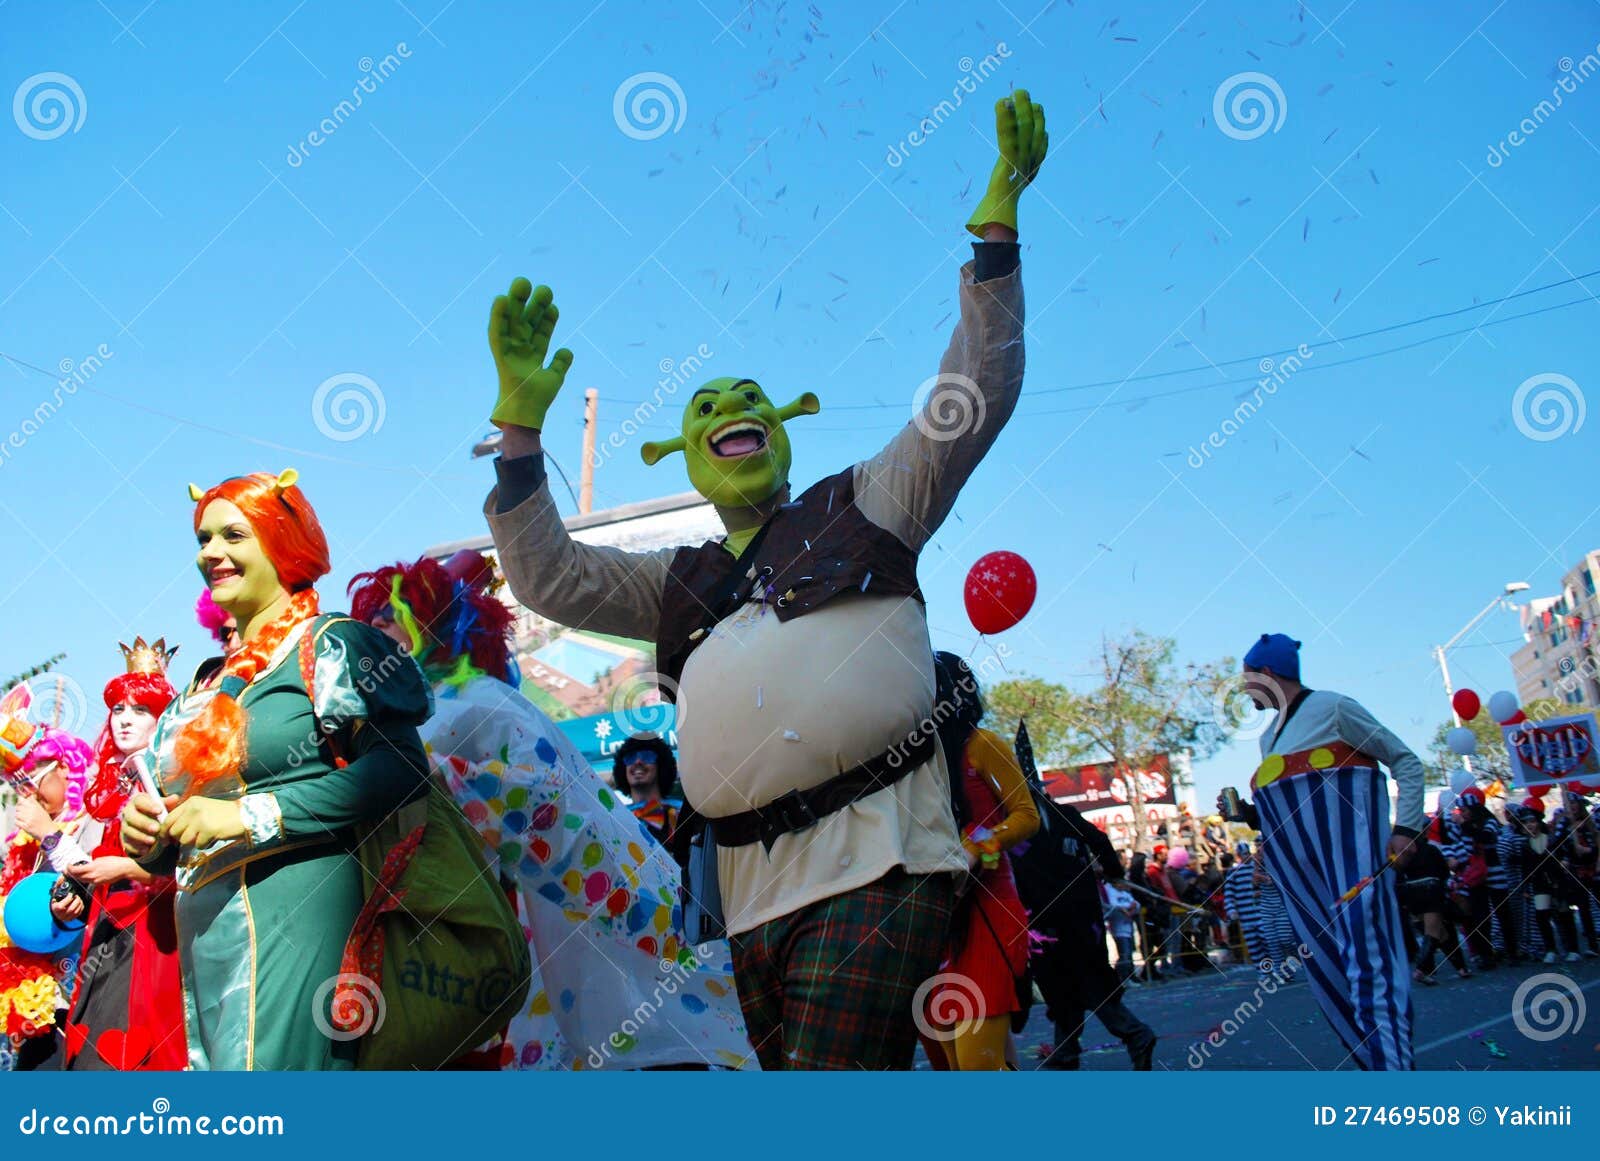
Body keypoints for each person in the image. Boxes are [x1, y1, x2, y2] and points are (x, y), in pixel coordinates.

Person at [481, 92, 1046, 1070]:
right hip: (746, 893)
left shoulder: (870, 503)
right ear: (688, 456)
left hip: (883, 863)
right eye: (708, 407)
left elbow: (975, 394)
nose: (733, 409)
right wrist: (521, 442)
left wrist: (994, 237)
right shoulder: (676, 581)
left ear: (780, 431)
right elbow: (548, 579)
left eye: (750, 402)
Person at [349, 551, 753, 1070]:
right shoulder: (384, 716)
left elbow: (548, 794)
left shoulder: (482, 701)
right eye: (373, 613)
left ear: (438, 622)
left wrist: (446, 775)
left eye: (394, 609)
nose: (379, 621)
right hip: (412, 919)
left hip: (496, 917)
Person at [119, 470, 434, 1071]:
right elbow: (180, 834)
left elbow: (400, 769)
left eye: (233, 535)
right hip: (206, 939)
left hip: (297, 918)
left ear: (281, 542)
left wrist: (246, 814)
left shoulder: (334, 643)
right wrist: (150, 835)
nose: (211, 553)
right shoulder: (201, 685)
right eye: (203, 540)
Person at [1231, 633, 1420, 1071]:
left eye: (1247, 679)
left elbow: (1405, 760)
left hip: (1355, 870)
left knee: (1371, 969)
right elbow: (1285, 816)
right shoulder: (1268, 741)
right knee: (1332, 979)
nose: (1243, 689)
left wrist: (1406, 829)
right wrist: (1249, 814)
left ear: (1269, 674)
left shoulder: (1333, 708)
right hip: (1306, 887)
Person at [60, 638, 185, 1071]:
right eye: (118, 710)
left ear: (162, 719)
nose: (125, 721)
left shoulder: (177, 780)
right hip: (104, 936)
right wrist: (72, 897)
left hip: (156, 939)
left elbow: (199, 867)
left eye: (140, 710)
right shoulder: (106, 788)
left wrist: (128, 868)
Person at [917, 654, 1037, 1070]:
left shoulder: (984, 745)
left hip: (990, 914)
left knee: (974, 1066)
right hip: (941, 921)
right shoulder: (921, 759)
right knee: (952, 1061)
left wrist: (978, 846)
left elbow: (1026, 815)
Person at [1009, 764, 1155, 1071]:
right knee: (1069, 984)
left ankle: (1134, 1033)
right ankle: (1066, 1051)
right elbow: (1100, 842)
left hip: (1048, 921)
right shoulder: (1065, 816)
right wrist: (1111, 872)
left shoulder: (1020, 826)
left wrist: (1109, 873)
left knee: (1080, 982)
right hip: (1079, 918)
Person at [1, 718, 96, 1071]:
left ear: (65, 768)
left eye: (31, 780)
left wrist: (49, 833)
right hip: (34, 995)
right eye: (17, 784)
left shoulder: (90, 820)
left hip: (81, 984)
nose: (26, 793)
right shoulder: (26, 843)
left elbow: (94, 882)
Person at [1396, 825, 1471, 984]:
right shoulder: (1431, 850)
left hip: (1412, 894)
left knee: (1440, 932)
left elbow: (1399, 874)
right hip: (1430, 891)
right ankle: (1421, 969)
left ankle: (1461, 968)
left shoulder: (1403, 852)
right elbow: (1443, 872)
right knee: (1434, 931)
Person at [611, 734, 681, 848]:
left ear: (661, 766)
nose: (638, 761)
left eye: (647, 756)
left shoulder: (680, 812)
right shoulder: (615, 819)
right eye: (630, 757)